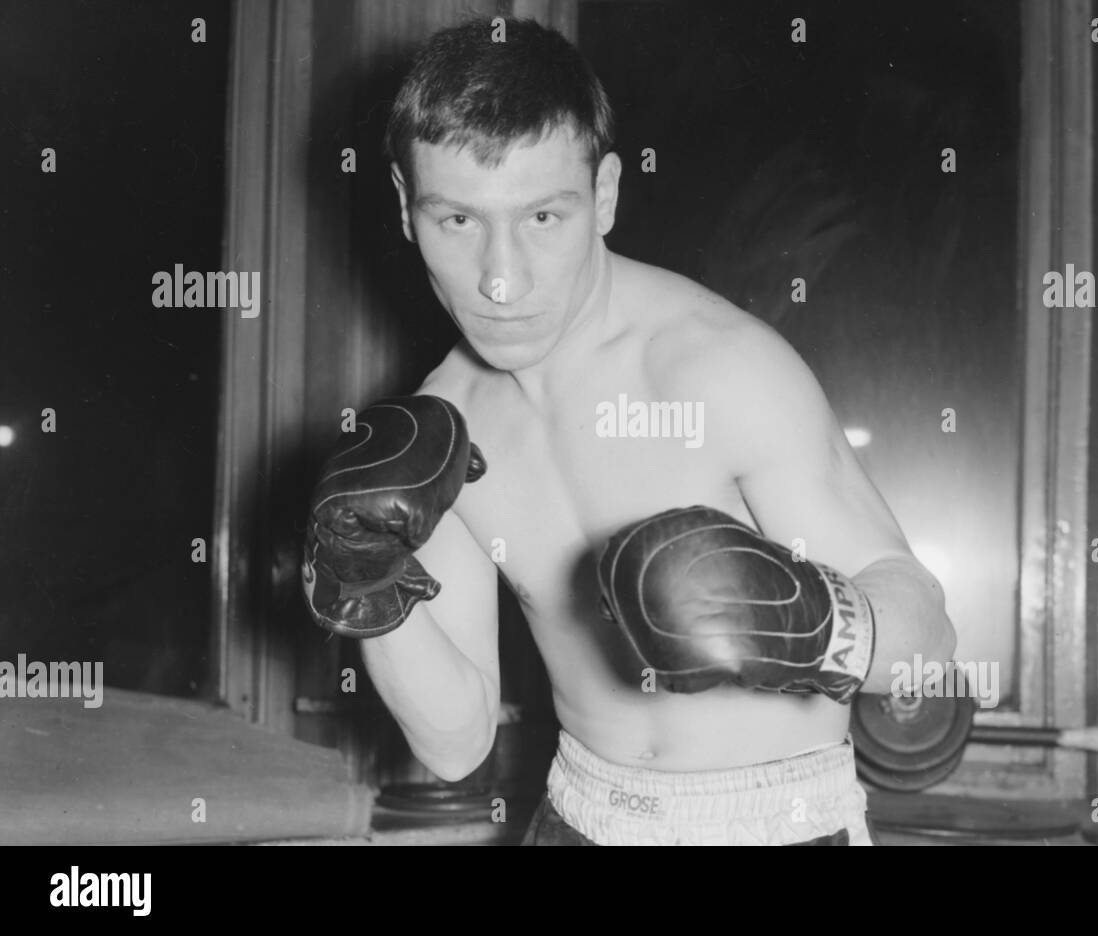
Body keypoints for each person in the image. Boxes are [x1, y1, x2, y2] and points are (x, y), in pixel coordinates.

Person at [302, 17, 956, 846]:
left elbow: (928, 641)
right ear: (405, 207)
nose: (501, 280)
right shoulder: (446, 428)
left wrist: (815, 623)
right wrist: (368, 589)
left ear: (605, 194)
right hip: (574, 818)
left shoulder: (720, 369)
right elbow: (456, 743)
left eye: (543, 217)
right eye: (457, 222)